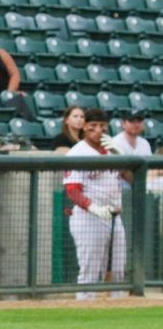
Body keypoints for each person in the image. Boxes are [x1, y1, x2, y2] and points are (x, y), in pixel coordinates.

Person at [64, 108, 130, 300]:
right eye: (93, 126)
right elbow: (72, 189)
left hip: (114, 216)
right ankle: (84, 308)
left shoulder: (112, 149)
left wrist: (121, 156)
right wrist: (92, 207)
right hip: (88, 216)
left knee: (118, 269)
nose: (98, 130)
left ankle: (118, 309)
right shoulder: (77, 152)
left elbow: (131, 177)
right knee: (89, 270)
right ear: (84, 127)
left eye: (102, 126)